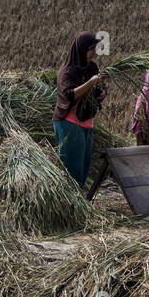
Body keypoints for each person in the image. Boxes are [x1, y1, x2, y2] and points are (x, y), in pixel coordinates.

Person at [53, 31, 106, 187]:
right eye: (91, 49)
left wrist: (102, 92)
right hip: (69, 123)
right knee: (72, 170)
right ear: (81, 49)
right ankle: (70, 205)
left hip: (86, 121)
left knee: (83, 168)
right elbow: (69, 95)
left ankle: (79, 202)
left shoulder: (92, 67)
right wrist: (91, 83)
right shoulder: (67, 71)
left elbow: (99, 88)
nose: (94, 53)